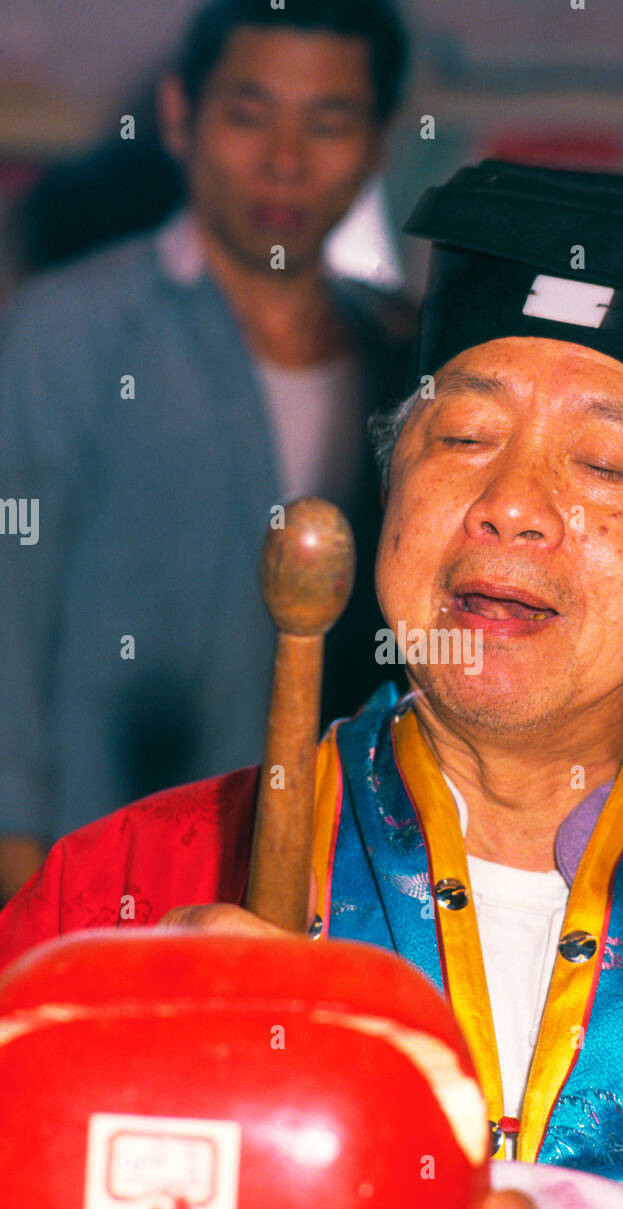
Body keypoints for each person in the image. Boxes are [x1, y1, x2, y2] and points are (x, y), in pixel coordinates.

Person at [3, 163, 623, 1209]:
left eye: (601, 462)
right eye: (462, 438)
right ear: (386, 500)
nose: (512, 501)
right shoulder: (122, 894)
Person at [0, 0, 412, 904]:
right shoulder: (71, 332)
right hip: (102, 890)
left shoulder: (400, 360)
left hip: (330, 900)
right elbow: (9, 620)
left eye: (330, 122)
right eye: (248, 114)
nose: (286, 161)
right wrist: (22, 897)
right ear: (182, 116)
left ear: (380, 141)